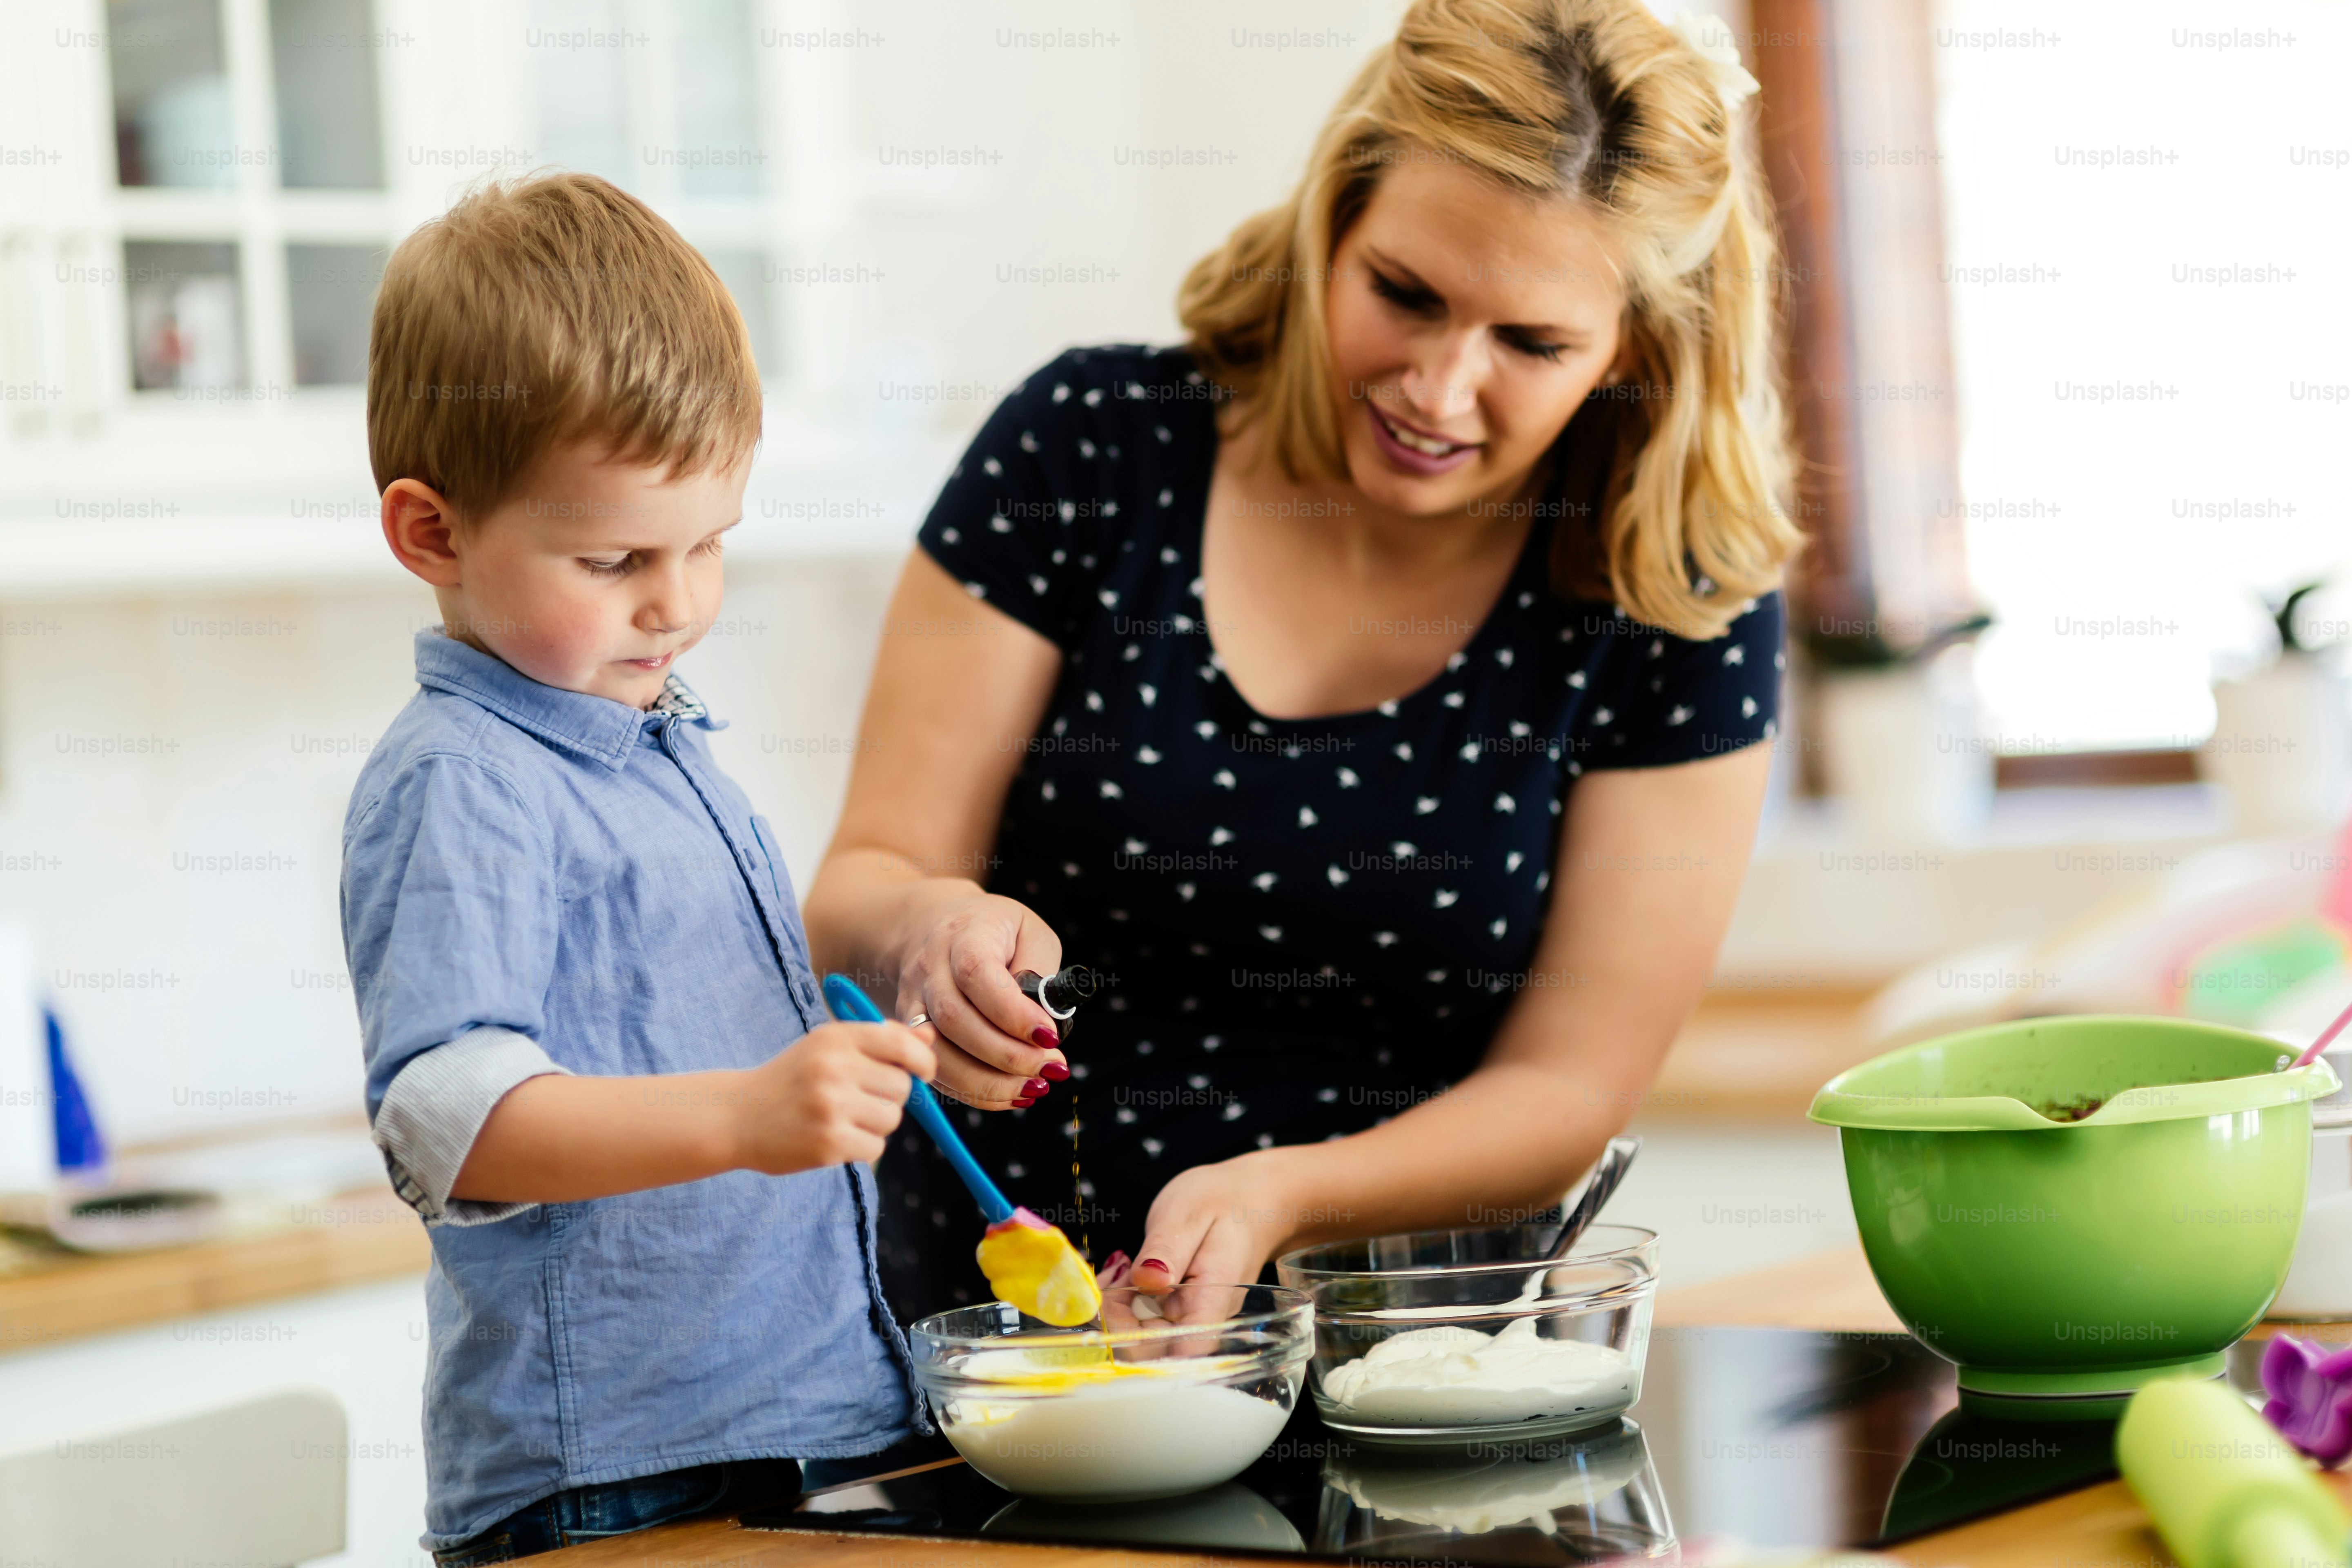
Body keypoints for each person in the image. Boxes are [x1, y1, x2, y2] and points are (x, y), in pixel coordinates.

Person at [805, 0, 1802, 1322]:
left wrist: (1281, 1196)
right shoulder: (1088, 448)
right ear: (1333, 221)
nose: (1440, 393)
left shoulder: (1668, 595)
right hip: (979, 1346)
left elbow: (1568, 1089)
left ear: (1640, 348)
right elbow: (858, 885)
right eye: (1406, 294)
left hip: (1409, 1365)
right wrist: (924, 931)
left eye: (1533, 344)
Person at [343, 172, 934, 1564]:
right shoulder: (465, 781)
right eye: (614, 557)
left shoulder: (656, 743)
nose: (679, 602)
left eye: (709, 543)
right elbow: (454, 1124)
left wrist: (881, 1042)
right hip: (619, 1469)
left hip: (805, 1418)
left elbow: (704, 1028)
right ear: (433, 533)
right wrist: (743, 1115)